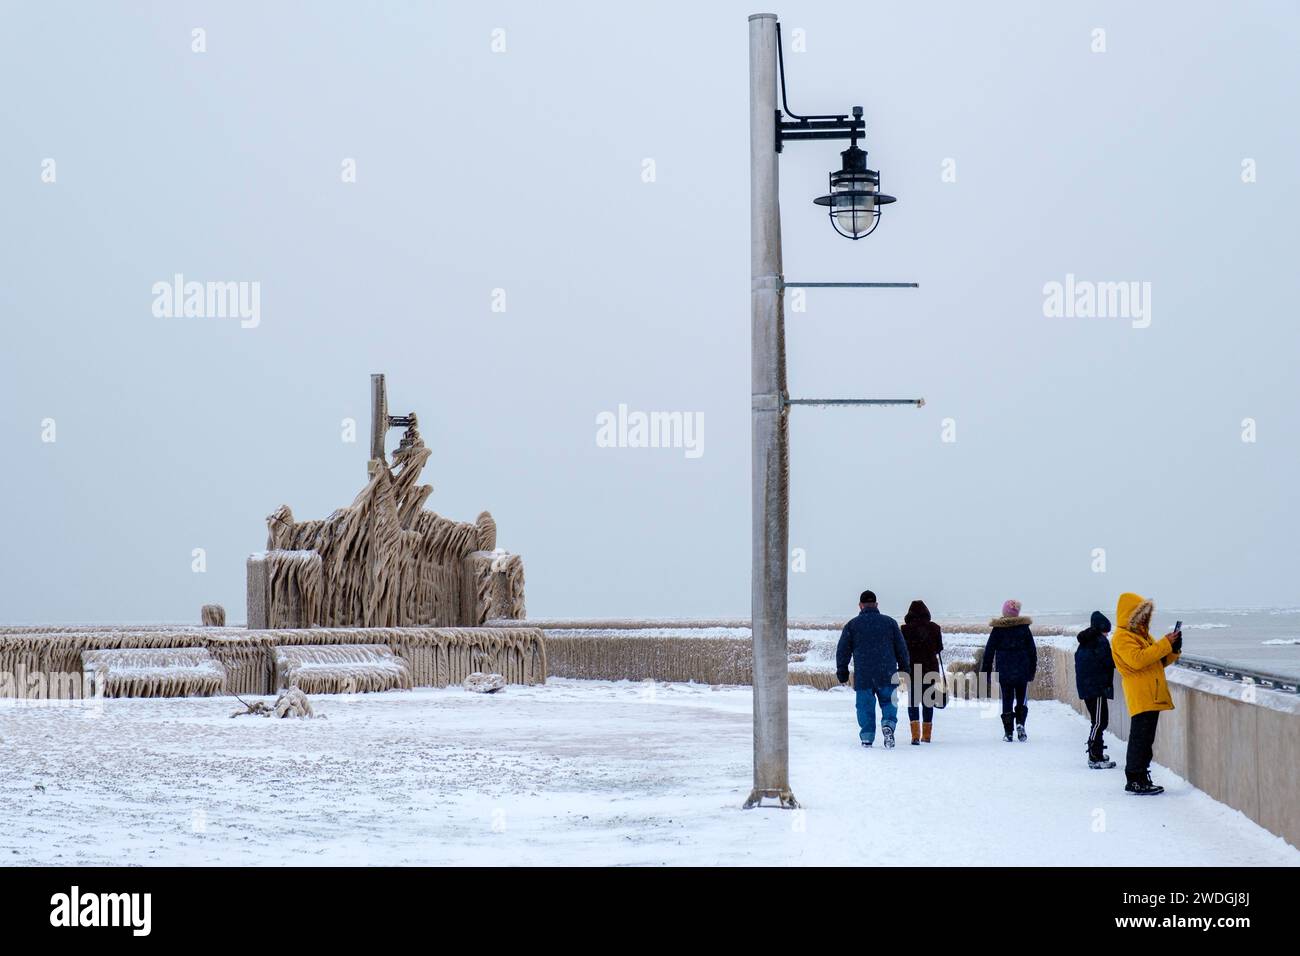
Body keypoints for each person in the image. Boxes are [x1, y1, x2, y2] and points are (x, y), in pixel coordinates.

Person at [1111, 592, 1182, 795]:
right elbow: (1138, 660)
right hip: (1141, 692)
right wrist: (1164, 643)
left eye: (1145, 614)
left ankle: (1141, 777)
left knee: (1146, 740)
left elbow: (1157, 662)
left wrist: (1173, 650)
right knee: (1140, 739)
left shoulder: (1142, 636)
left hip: (1152, 692)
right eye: (1140, 613)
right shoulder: (1122, 637)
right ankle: (1134, 779)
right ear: (1130, 614)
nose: (1143, 617)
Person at [836, 590, 911, 749]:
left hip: (864, 675)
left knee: (865, 707)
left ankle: (867, 738)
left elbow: (843, 650)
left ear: (860, 605)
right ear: (876, 604)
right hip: (887, 672)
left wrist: (842, 670)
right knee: (889, 702)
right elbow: (901, 648)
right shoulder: (890, 623)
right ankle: (888, 725)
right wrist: (904, 668)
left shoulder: (852, 625)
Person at [980, 599, 1037, 742]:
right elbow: (1032, 651)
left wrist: (985, 673)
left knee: (1007, 699)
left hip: (1004, 671)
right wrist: (1031, 670)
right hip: (1022, 670)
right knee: (1021, 698)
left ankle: (1008, 732)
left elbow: (989, 652)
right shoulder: (1024, 628)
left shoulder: (998, 629)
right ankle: (1020, 724)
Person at [1075, 611, 1116, 769]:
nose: (1108, 633)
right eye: (1107, 630)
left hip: (1088, 685)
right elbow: (1108, 661)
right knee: (1099, 721)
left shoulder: (1086, 641)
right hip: (1096, 687)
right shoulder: (1099, 641)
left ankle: (1097, 752)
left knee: (1099, 720)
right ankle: (1094, 755)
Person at [900, 599, 944, 745]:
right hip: (930, 668)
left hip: (912, 669)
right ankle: (926, 735)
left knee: (913, 701)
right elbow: (939, 648)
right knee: (928, 702)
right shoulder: (935, 628)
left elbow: (902, 650)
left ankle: (914, 735)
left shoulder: (905, 630)